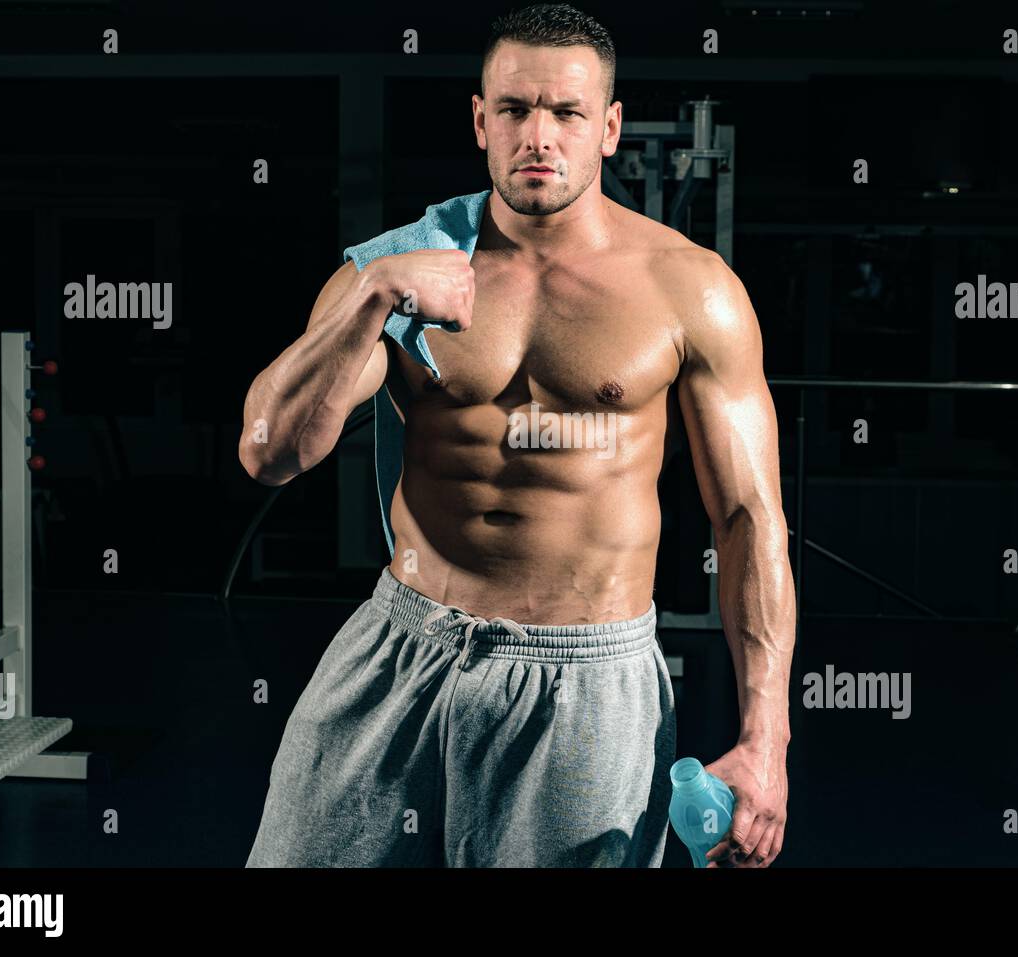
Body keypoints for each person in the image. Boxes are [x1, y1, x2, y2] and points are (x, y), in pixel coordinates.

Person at [240, 3, 795, 868]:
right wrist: (372, 294)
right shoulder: (399, 265)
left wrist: (767, 741)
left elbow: (750, 522)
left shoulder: (692, 291)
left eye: (568, 112)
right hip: (402, 648)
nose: (540, 135)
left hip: (586, 679)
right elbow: (269, 451)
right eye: (515, 109)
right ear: (480, 120)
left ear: (609, 128)